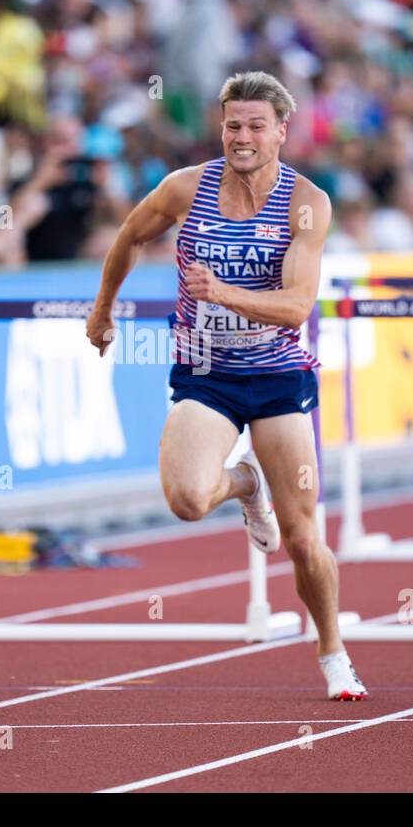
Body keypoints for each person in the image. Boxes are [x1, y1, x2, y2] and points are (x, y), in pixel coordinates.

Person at [86, 70, 366, 701]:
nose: (241, 137)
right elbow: (130, 235)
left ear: (282, 132)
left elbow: (296, 306)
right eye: (232, 125)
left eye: (255, 126)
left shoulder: (307, 202)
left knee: (301, 537)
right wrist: (103, 308)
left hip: (277, 379)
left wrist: (224, 293)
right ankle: (245, 481)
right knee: (185, 499)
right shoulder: (187, 188)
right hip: (206, 375)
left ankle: (332, 651)